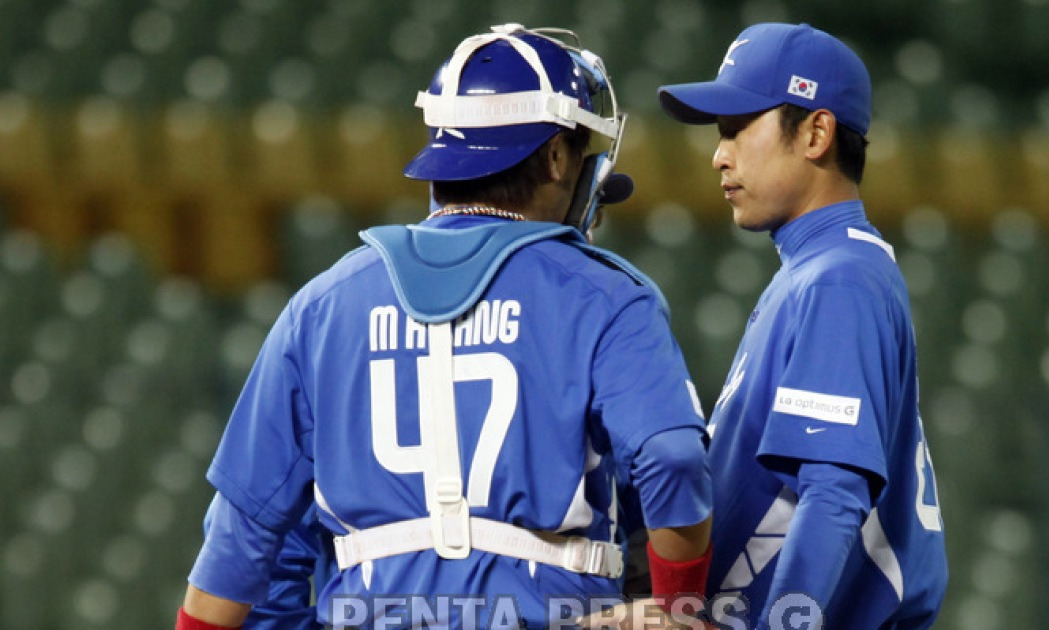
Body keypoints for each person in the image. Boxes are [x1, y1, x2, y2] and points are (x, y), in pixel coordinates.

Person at [177, 23, 712, 630]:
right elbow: (672, 457)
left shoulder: (321, 304)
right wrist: (676, 607)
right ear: (558, 156)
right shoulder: (608, 294)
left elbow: (237, 542)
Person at [656, 22, 949, 629]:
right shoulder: (822, 267)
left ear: (816, 132)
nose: (719, 154)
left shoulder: (840, 278)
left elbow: (833, 495)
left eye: (737, 127)